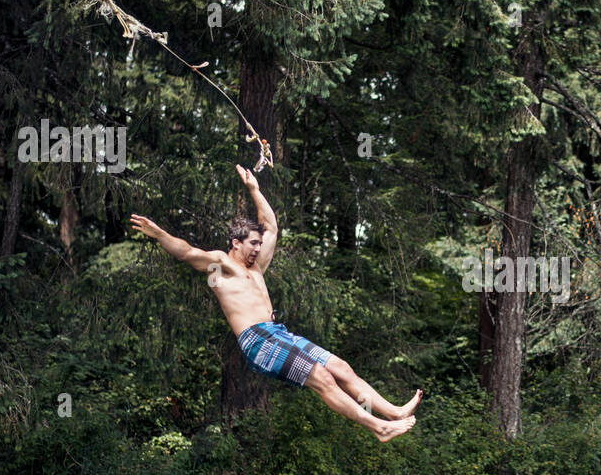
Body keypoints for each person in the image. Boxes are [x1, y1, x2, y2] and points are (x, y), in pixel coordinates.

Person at [130, 165, 420, 441]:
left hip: (279, 333)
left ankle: (393, 411)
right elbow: (187, 252)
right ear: (235, 243)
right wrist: (160, 234)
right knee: (321, 377)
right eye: (252, 243)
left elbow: (272, 227)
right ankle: (378, 428)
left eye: (259, 243)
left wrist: (254, 189)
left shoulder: (256, 270)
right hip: (256, 341)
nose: (259, 248)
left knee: (341, 368)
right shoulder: (221, 265)